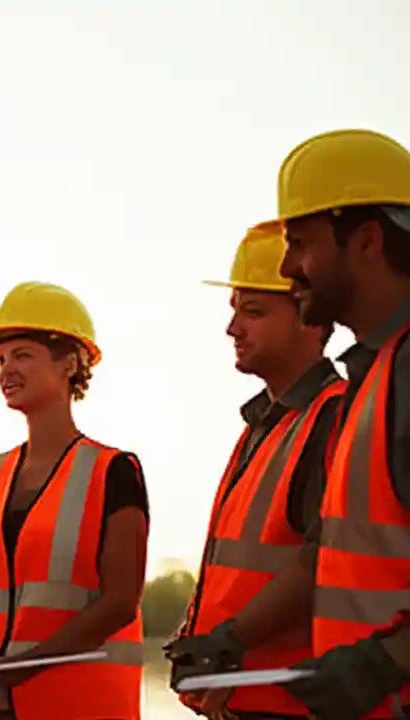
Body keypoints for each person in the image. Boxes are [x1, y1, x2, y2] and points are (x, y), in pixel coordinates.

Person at [211, 129, 410, 719]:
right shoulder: (376, 376)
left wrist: (389, 659)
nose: (287, 267)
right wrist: (233, 636)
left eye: (300, 244)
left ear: (368, 241)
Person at [0, 281, 149, 720]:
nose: (6, 370)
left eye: (23, 355)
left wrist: (14, 669)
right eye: (1, 359)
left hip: (77, 707)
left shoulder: (113, 471)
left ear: (70, 363)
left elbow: (120, 603)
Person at [165, 225, 344, 720]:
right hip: (242, 698)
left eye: (254, 311)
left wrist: (228, 641)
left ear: (309, 317)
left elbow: (325, 559)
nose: (233, 328)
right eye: (234, 310)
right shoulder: (261, 427)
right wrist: (197, 635)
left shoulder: (333, 417)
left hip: (290, 704)